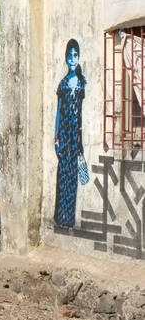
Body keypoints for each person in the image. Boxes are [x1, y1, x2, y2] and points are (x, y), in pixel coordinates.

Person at [54, 38, 88, 228]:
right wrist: (56, 137)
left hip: (76, 134)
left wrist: (81, 137)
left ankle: (69, 218)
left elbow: (81, 112)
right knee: (63, 174)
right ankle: (61, 217)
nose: (73, 59)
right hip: (64, 133)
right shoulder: (63, 83)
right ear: (66, 58)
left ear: (79, 57)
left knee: (72, 176)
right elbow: (59, 111)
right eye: (70, 55)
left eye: (75, 55)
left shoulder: (82, 83)